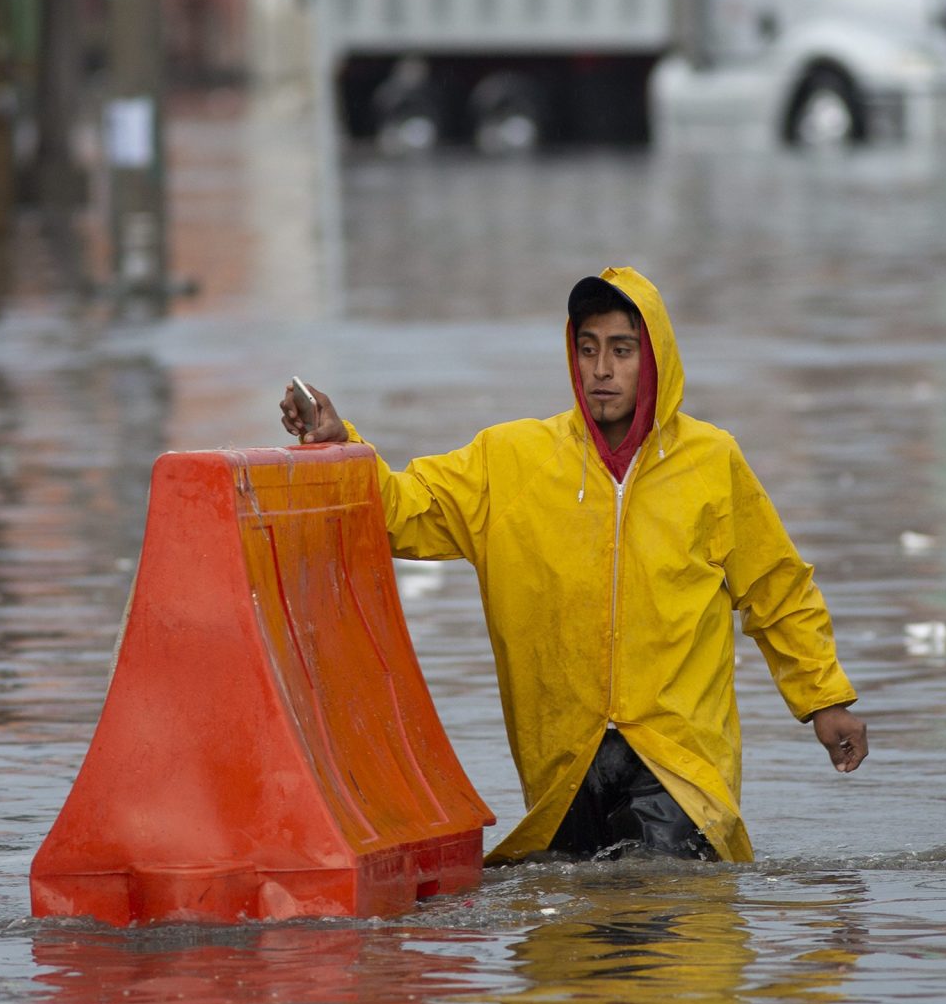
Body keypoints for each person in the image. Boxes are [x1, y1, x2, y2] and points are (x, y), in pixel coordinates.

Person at [281, 267, 868, 863]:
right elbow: (402, 510)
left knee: (668, 911)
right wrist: (338, 444)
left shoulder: (712, 462)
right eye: (587, 349)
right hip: (564, 768)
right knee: (577, 935)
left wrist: (825, 701)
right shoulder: (510, 460)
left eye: (622, 350)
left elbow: (776, 589)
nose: (602, 370)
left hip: (681, 764)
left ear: (656, 359)